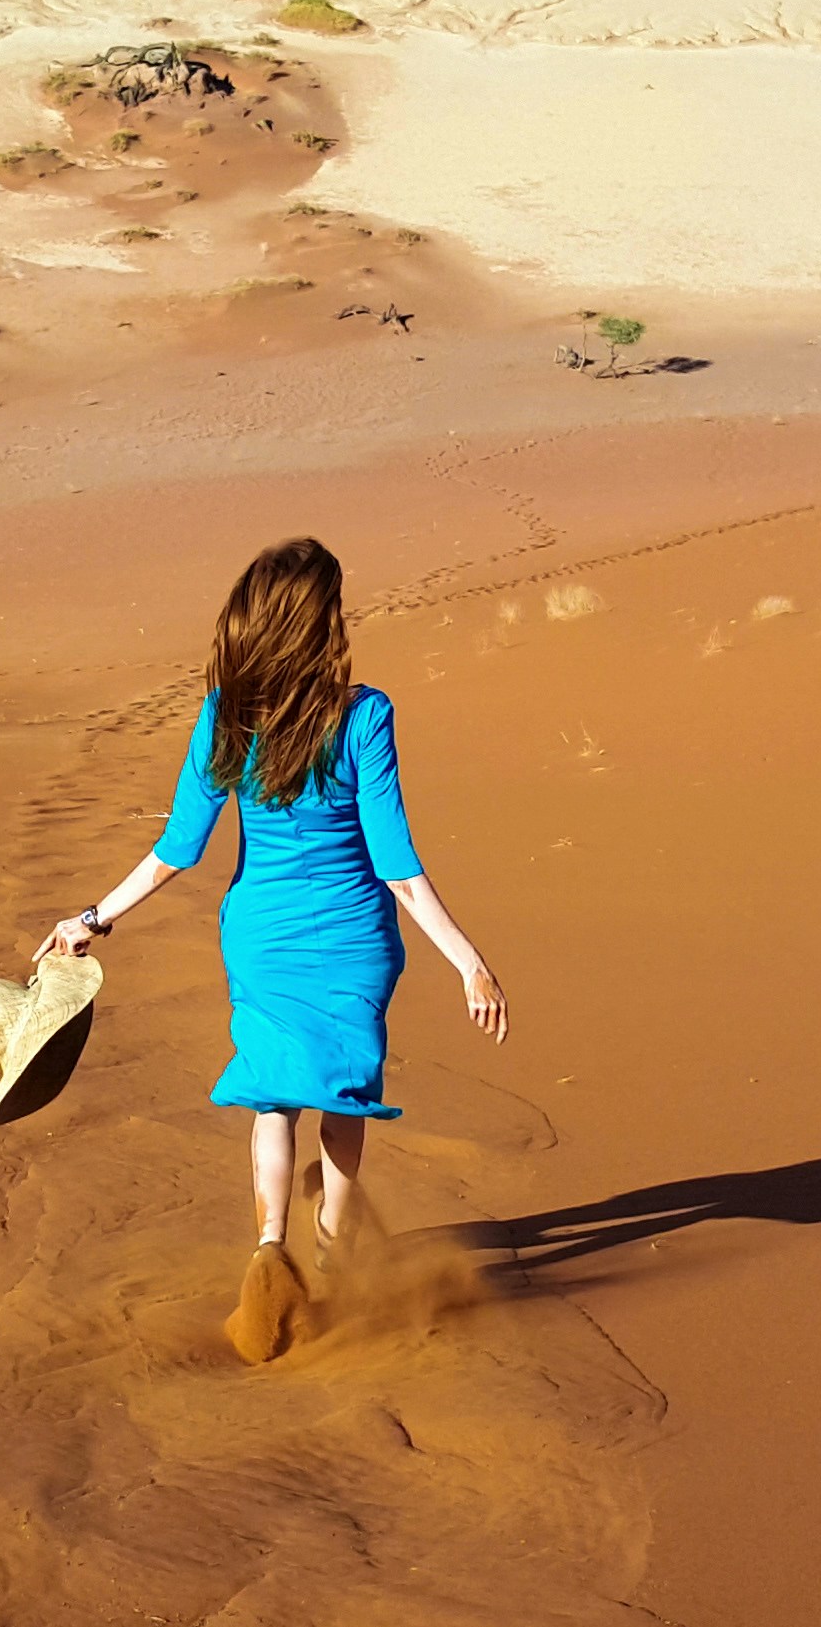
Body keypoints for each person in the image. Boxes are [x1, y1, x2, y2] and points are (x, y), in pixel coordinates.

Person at [41, 536, 508, 1362]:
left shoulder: (226, 716)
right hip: (355, 937)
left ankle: (268, 1247)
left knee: (272, 1100)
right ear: (317, 623)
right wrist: (469, 960)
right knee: (344, 1094)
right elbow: (397, 866)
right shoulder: (365, 714)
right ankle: (329, 1259)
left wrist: (92, 917)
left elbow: (176, 850)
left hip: (260, 937)